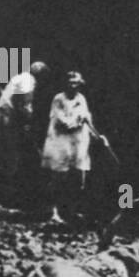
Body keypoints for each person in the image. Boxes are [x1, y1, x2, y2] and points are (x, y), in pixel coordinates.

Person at [41, 71, 92, 226]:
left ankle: (73, 211)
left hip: (78, 144)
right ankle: (53, 211)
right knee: (58, 179)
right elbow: (61, 121)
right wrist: (75, 123)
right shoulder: (58, 99)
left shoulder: (81, 99)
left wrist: (85, 121)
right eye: (70, 82)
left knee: (78, 178)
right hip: (60, 143)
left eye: (76, 83)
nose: (73, 86)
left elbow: (85, 117)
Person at [0, 61, 51, 196]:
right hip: (8, 118)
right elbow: (25, 105)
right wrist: (27, 123)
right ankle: (6, 192)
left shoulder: (20, 77)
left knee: (8, 152)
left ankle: (8, 189)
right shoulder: (28, 81)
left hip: (3, 115)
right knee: (11, 154)